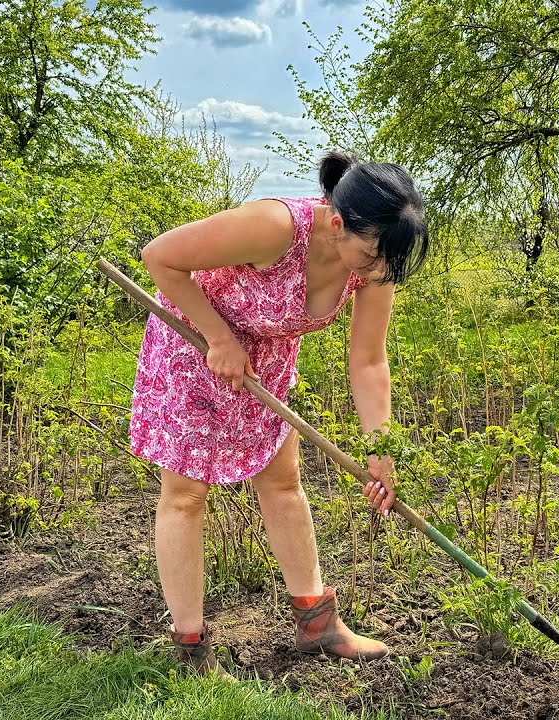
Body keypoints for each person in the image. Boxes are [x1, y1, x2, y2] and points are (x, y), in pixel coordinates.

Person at [129, 150, 430, 677]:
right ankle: (191, 650)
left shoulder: (375, 265)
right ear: (337, 223)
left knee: (284, 480)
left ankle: (318, 627)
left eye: (390, 261)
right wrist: (218, 337)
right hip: (194, 344)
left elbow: (368, 359)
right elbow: (161, 258)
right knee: (186, 496)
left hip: (263, 362)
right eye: (373, 255)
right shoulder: (275, 226)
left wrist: (380, 448)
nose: (380, 270)